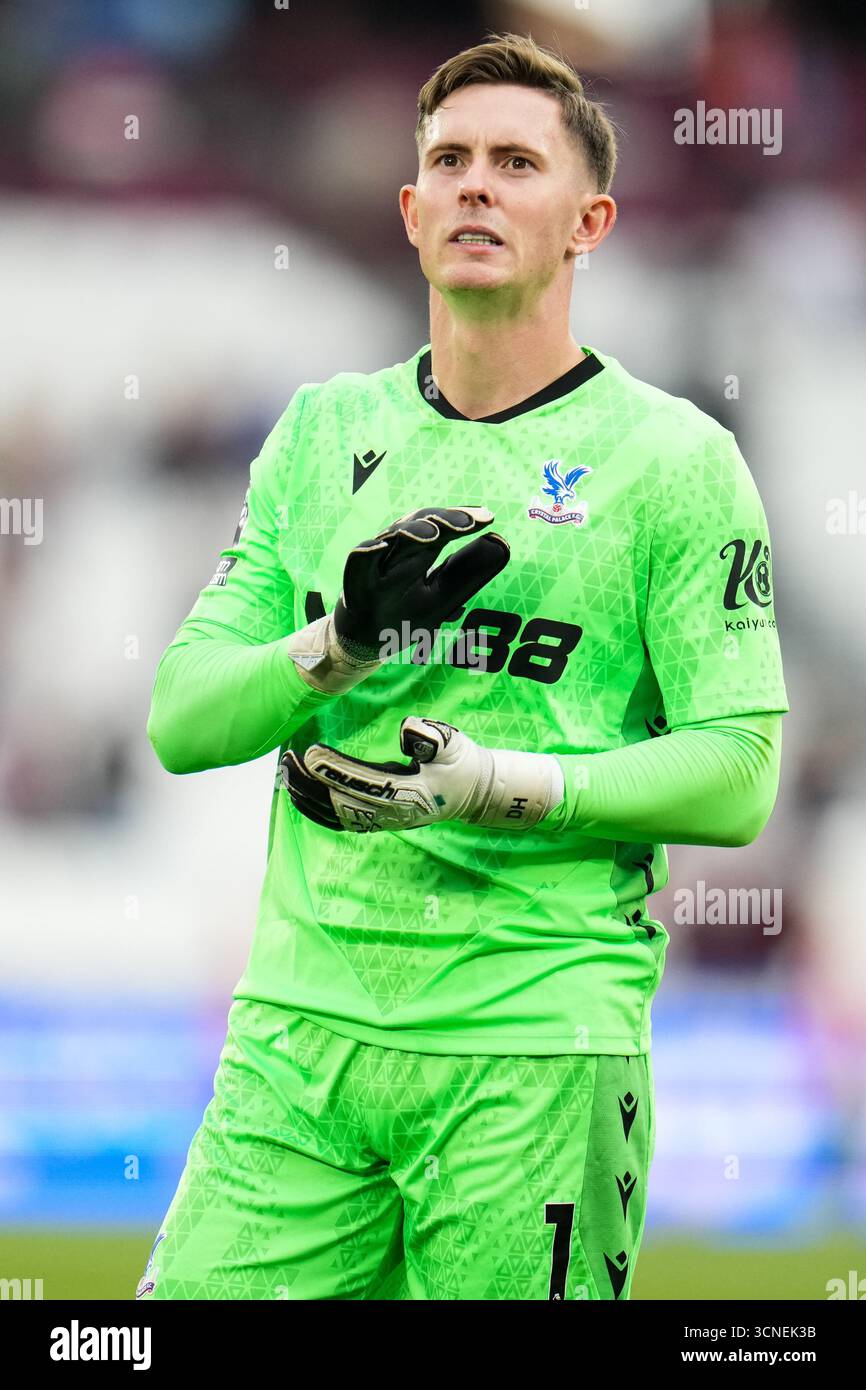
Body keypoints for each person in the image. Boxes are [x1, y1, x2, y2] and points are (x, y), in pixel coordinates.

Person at [138, 31, 788, 1301]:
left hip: (532, 1047)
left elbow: (738, 773)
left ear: (586, 219)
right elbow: (181, 715)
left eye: (513, 163)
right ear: (409, 210)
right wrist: (339, 644)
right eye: (448, 162)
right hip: (296, 1046)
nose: (475, 186)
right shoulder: (326, 429)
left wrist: (504, 781)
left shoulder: (671, 460)